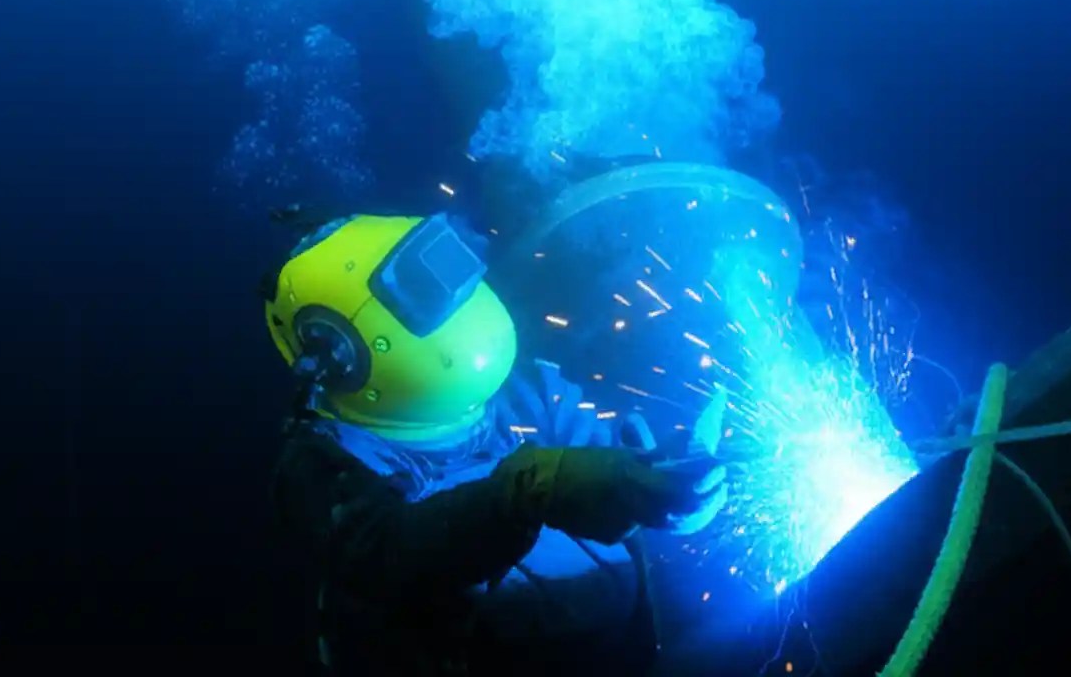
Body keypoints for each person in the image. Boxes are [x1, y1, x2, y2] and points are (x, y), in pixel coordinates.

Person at [264, 211, 729, 676]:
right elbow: (389, 556)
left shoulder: (522, 390)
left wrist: (657, 477)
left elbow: (597, 448)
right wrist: (524, 492)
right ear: (342, 348)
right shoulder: (324, 461)